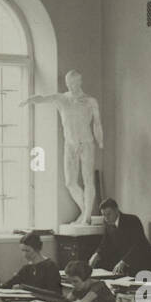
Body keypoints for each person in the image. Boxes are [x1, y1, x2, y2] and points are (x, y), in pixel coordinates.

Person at [22, 69, 103, 222]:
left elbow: (97, 123)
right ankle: (85, 210)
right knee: (70, 182)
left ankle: (86, 217)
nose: (71, 86)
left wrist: (100, 140)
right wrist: (29, 100)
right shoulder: (62, 99)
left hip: (86, 143)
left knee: (87, 179)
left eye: (73, 82)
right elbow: (43, 98)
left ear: (80, 81)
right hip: (70, 144)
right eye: (68, 83)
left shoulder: (90, 101)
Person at [89, 198, 151, 276]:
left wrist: (124, 261)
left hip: (145, 261)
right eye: (104, 215)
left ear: (116, 210)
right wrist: (96, 254)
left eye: (108, 214)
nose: (106, 218)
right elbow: (105, 242)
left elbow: (138, 244)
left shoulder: (132, 220)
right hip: (128, 263)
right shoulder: (107, 222)